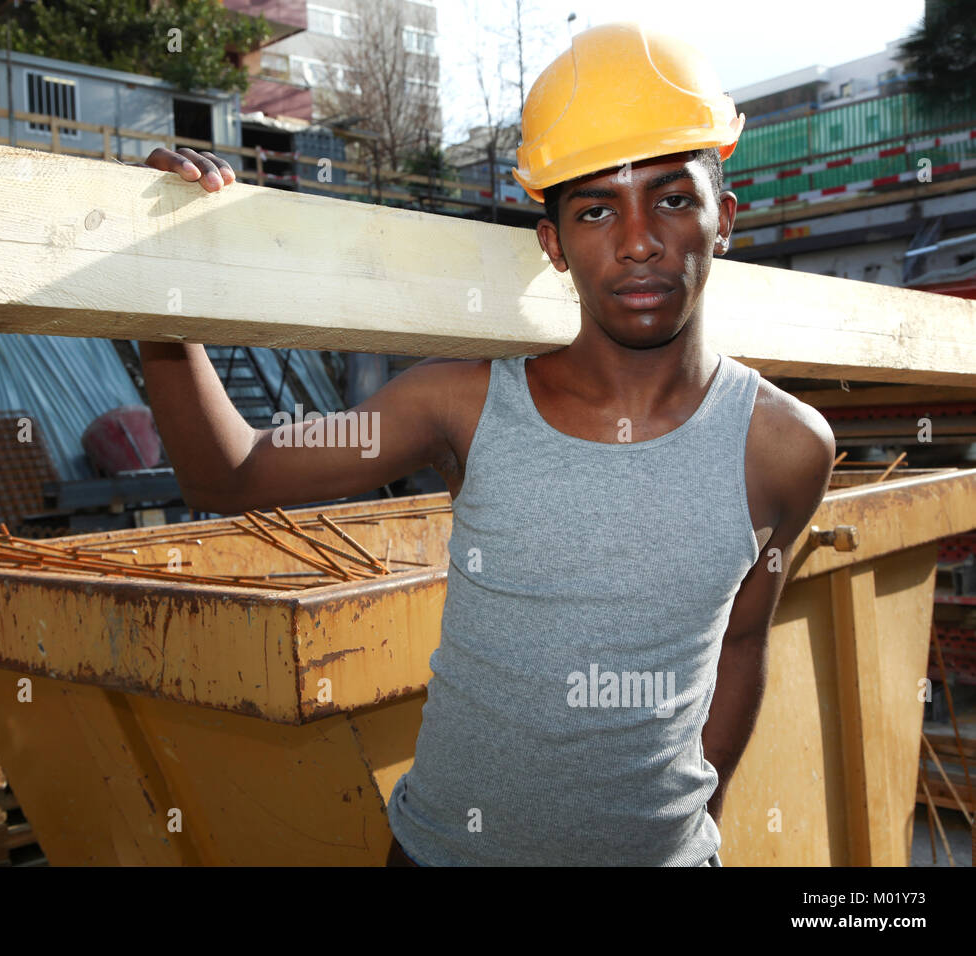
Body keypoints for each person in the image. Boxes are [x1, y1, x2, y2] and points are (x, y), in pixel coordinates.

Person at [136, 21, 835, 866]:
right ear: (555, 245)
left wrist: (690, 821)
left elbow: (744, 639)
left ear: (722, 219)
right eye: (595, 209)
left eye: (673, 198)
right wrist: (154, 285)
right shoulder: (459, 405)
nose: (639, 240)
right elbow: (231, 474)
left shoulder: (785, 447)